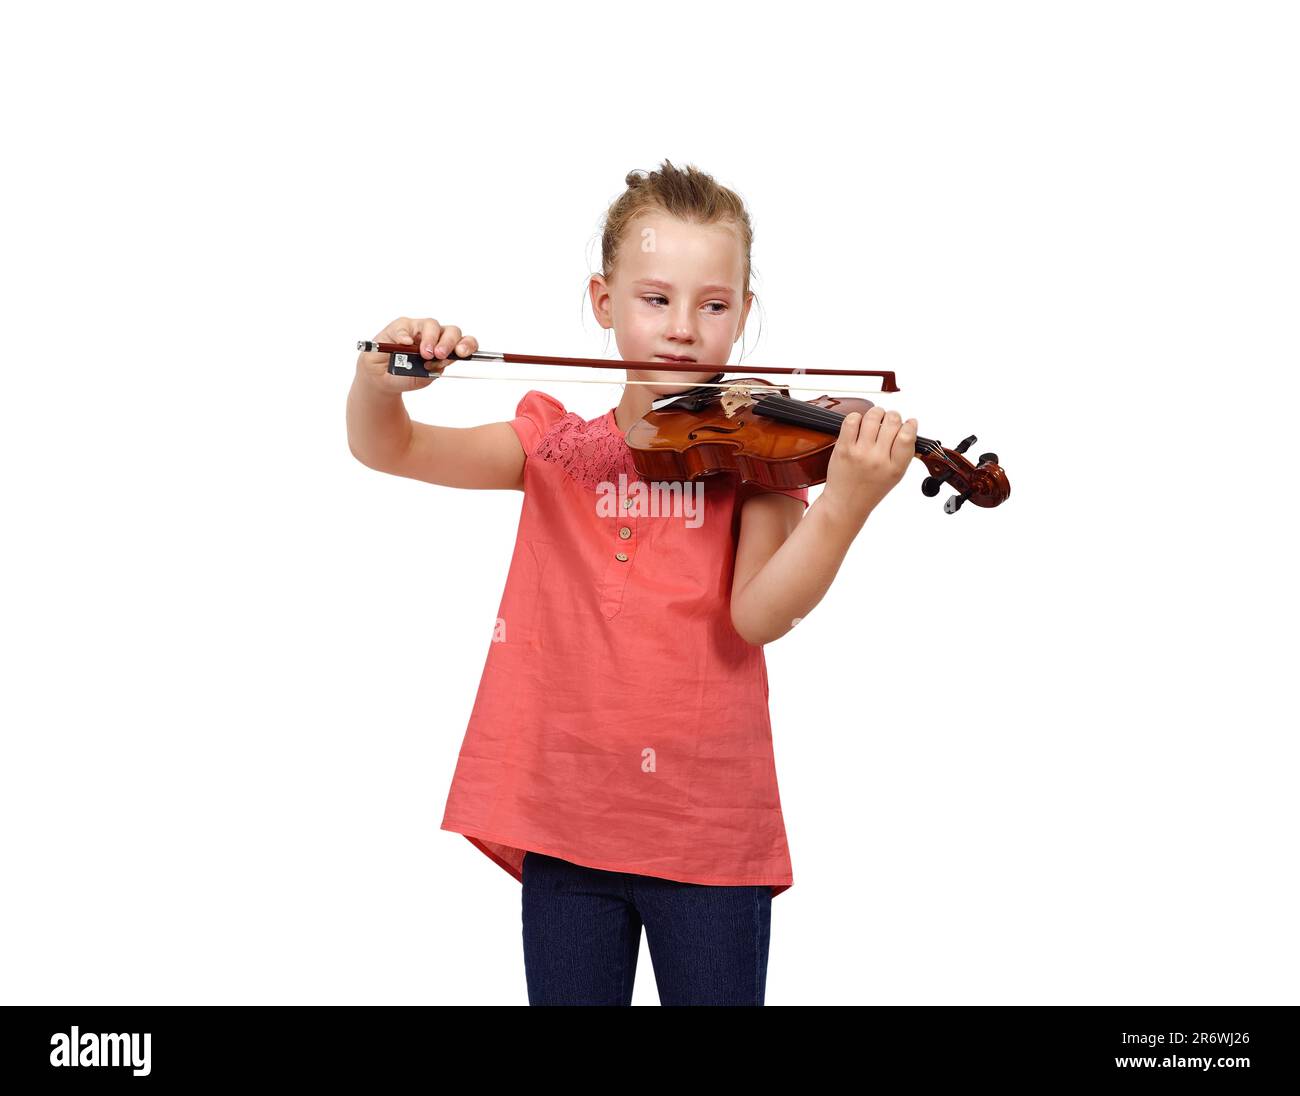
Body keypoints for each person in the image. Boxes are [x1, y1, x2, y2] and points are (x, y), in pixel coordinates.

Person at [346, 160, 917, 1005]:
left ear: (744, 316)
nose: (683, 329)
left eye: (713, 305)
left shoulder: (755, 455)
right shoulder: (549, 447)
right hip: (564, 828)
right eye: (656, 299)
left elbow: (760, 615)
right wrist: (377, 380)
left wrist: (848, 506)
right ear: (604, 303)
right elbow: (387, 447)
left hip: (710, 836)